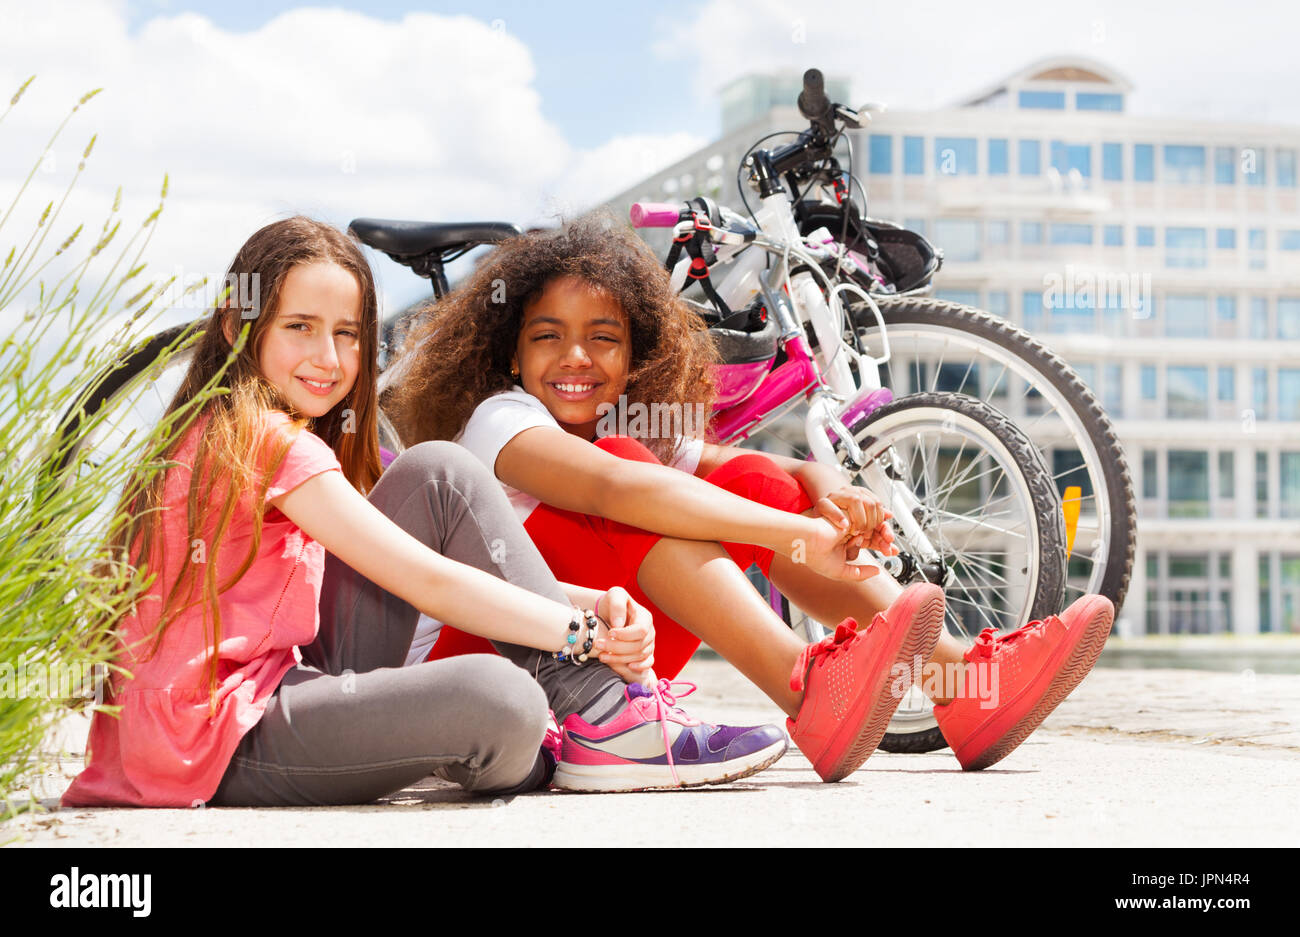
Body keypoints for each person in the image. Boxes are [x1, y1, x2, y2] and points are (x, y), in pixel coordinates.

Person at [61, 217, 789, 807]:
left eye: (346, 333)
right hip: (218, 740)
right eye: (299, 327)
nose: (328, 355)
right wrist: (585, 632)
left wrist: (592, 603)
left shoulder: (251, 425)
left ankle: (599, 720)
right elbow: (427, 581)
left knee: (437, 470)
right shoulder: (266, 438)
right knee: (501, 699)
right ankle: (599, 722)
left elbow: (422, 562)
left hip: (279, 684)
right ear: (236, 327)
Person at [385, 214, 1116, 778]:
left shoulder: (639, 422)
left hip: (604, 660)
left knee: (750, 483)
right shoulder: (500, 420)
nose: (576, 357)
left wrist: (828, 489)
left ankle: (962, 683)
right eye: (549, 337)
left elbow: (773, 475)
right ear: (513, 354)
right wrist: (796, 540)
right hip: (476, 666)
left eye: (603, 338)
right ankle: (807, 689)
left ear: (635, 354)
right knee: (637, 478)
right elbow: (615, 484)